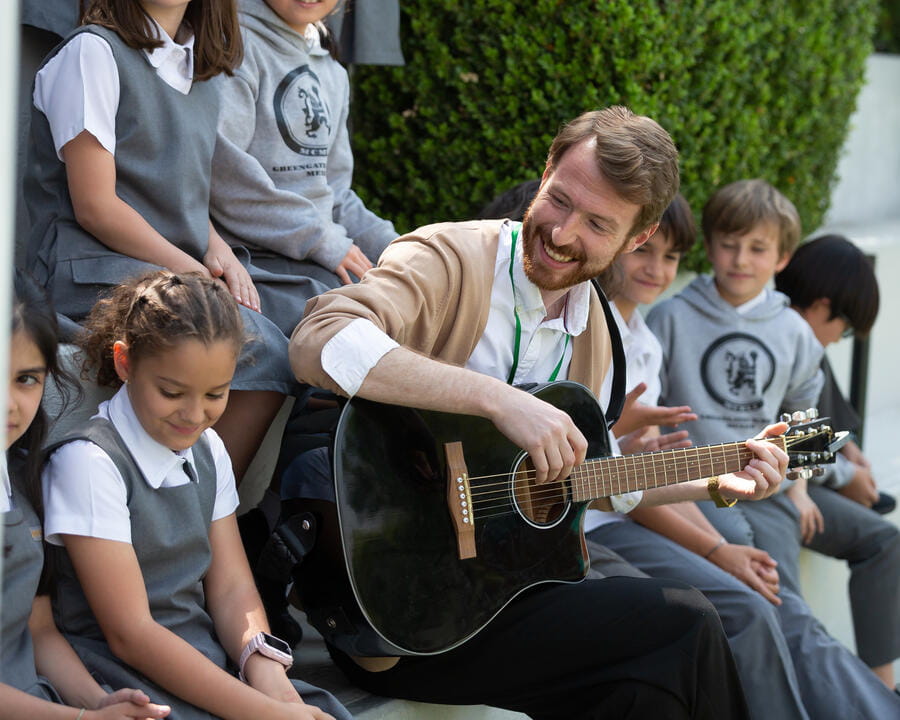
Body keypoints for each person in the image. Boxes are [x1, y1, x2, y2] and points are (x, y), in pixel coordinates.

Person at [288, 106, 794, 719]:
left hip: (500, 595)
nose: (561, 232)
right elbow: (321, 339)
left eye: (597, 224)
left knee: (644, 691)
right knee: (686, 622)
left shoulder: (596, 333)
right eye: (559, 201)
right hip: (398, 610)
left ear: (637, 238)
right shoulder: (450, 259)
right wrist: (497, 399)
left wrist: (719, 481)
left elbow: (587, 483)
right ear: (548, 168)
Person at [41, 272, 351, 720]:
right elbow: (130, 633)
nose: (193, 414)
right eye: (171, 392)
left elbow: (231, 587)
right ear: (125, 363)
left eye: (216, 394)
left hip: (208, 663)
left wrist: (269, 679)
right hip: (123, 680)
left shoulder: (207, 449)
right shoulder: (88, 464)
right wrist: (264, 713)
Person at [647, 180, 900, 714]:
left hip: (774, 492)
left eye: (758, 248)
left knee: (788, 610)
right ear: (710, 245)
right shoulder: (668, 319)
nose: (741, 260)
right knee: (772, 608)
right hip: (702, 493)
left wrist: (802, 488)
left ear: (782, 256)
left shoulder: (794, 333)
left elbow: (803, 420)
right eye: (728, 244)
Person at [24, 0, 293, 482]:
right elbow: (96, 206)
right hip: (88, 271)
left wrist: (215, 247)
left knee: (296, 318)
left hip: (167, 267)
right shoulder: (92, 53)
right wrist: (190, 271)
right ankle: (197, 509)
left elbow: (179, 188)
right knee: (258, 345)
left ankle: (212, 503)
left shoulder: (201, 66)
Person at [2, 270, 171, 720]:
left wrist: (99, 702)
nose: (9, 403)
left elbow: (37, 633)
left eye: (26, 379)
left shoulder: (20, 475)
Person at [209, 0, 397, 337]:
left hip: (313, 252)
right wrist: (322, 240)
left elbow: (336, 193)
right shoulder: (234, 48)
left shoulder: (333, 72)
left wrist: (400, 248)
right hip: (250, 259)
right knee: (362, 324)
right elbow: (224, 179)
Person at [774, 233, 900, 690]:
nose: (838, 340)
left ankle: (882, 691)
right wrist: (847, 477)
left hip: (802, 480)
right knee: (881, 544)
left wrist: (851, 460)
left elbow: (832, 427)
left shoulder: (804, 341)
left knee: (884, 532)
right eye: (843, 329)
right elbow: (780, 443)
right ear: (821, 306)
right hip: (765, 487)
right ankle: (876, 694)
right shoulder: (778, 338)